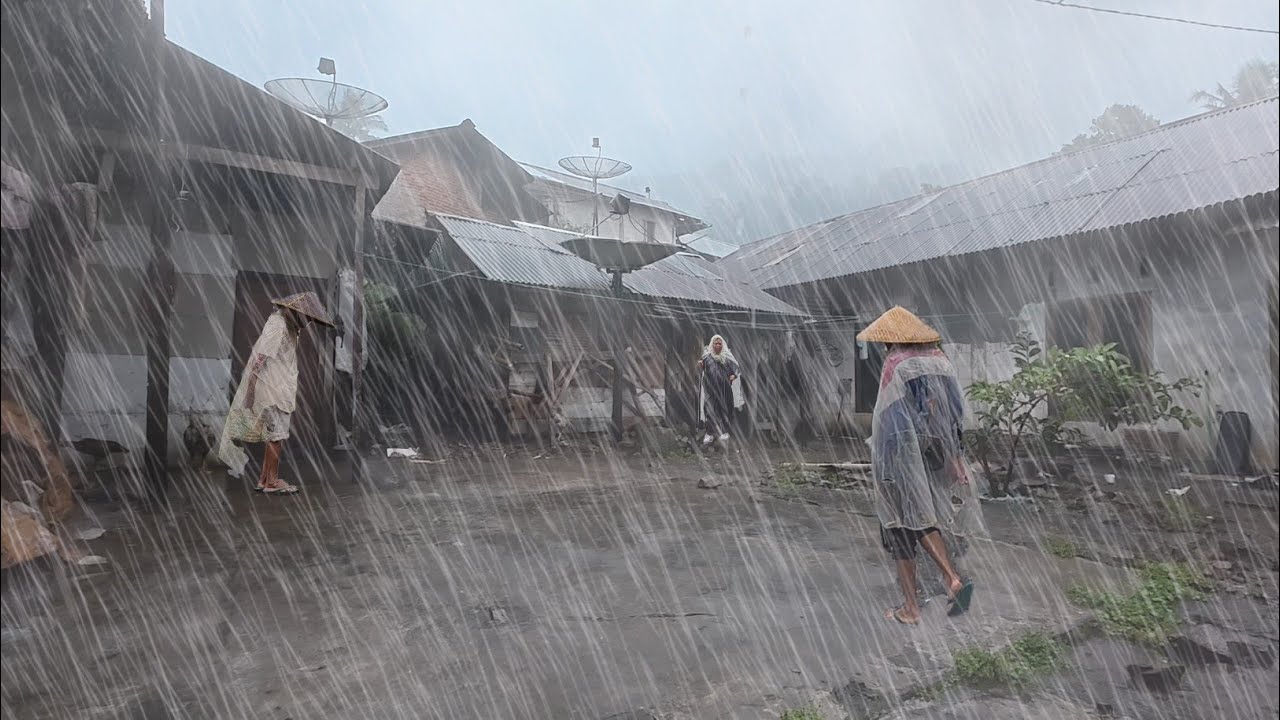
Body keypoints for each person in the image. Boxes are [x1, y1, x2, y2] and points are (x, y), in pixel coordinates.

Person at [858, 306, 977, 625]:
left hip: (899, 454)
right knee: (922, 516)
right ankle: (934, 589)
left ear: (890, 341)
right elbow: (953, 413)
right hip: (932, 451)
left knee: (900, 524)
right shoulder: (941, 360)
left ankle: (937, 590)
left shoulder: (896, 364)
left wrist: (887, 461)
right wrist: (954, 454)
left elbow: (891, 417)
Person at [216, 292, 334, 494]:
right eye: (306, 317)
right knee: (277, 436)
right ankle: (272, 482)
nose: (308, 323)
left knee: (274, 435)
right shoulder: (278, 325)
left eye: (311, 319)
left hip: (277, 389)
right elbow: (259, 359)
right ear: (295, 312)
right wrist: (251, 391)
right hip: (272, 390)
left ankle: (264, 480)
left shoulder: (287, 327)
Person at [698, 334, 740, 445]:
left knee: (724, 409)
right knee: (710, 410)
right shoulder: (707, 357)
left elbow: (735, 368)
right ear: (712, 344)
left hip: (724, 389)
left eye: (719, 343)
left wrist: (733, 375)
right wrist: (701, 367)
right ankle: (709, 433)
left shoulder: (726, 357)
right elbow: (702, 371)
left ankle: (724, 432)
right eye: (715, 343)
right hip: (710, 389)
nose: (717, 345)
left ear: (722, 345)